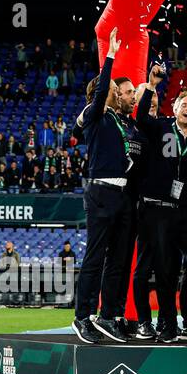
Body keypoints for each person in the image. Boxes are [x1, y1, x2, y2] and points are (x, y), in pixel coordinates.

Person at [129, 64, 187, 343]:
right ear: (174, 108)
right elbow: (142, 116)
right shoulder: (159, 129)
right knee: (165, 271)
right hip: (159, 211)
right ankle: (167, 323)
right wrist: (152, 85)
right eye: (183, 104)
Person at [71, 29, 145, 345]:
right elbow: (101, 95)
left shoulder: (120, 121)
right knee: (96, 257)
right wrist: (111, 57)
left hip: (123, 194)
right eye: (113, 88)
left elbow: (134, 102)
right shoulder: (94, 115)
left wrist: (146, 88)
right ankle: (82, 316)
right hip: (101, 191)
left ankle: (110, 315)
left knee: (119, 258)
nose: (116, 92)